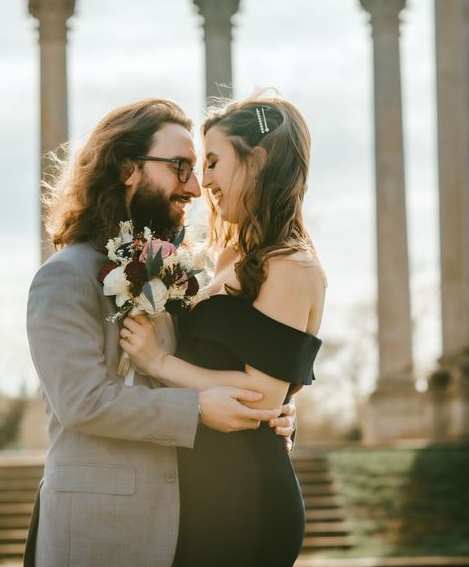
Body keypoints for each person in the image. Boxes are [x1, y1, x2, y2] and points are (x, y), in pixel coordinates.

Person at [24, 98, 297, 567]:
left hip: (188, 524)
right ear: (128, 168)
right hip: (99, 527)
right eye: (180, 167)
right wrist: (197, 410)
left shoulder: (177, 273)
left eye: (197, 168)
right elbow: (81, 401)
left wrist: (273, 407)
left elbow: (208, 365)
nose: (195, 187)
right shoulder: (63, 276)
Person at [120, 95, 325, 566]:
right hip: (200, 484)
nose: (203, 180)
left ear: (259, 161)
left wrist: (159, 363)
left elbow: (263, 398)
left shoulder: (293, 267)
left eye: (212, 162)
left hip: (245, 491)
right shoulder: (232, 258)